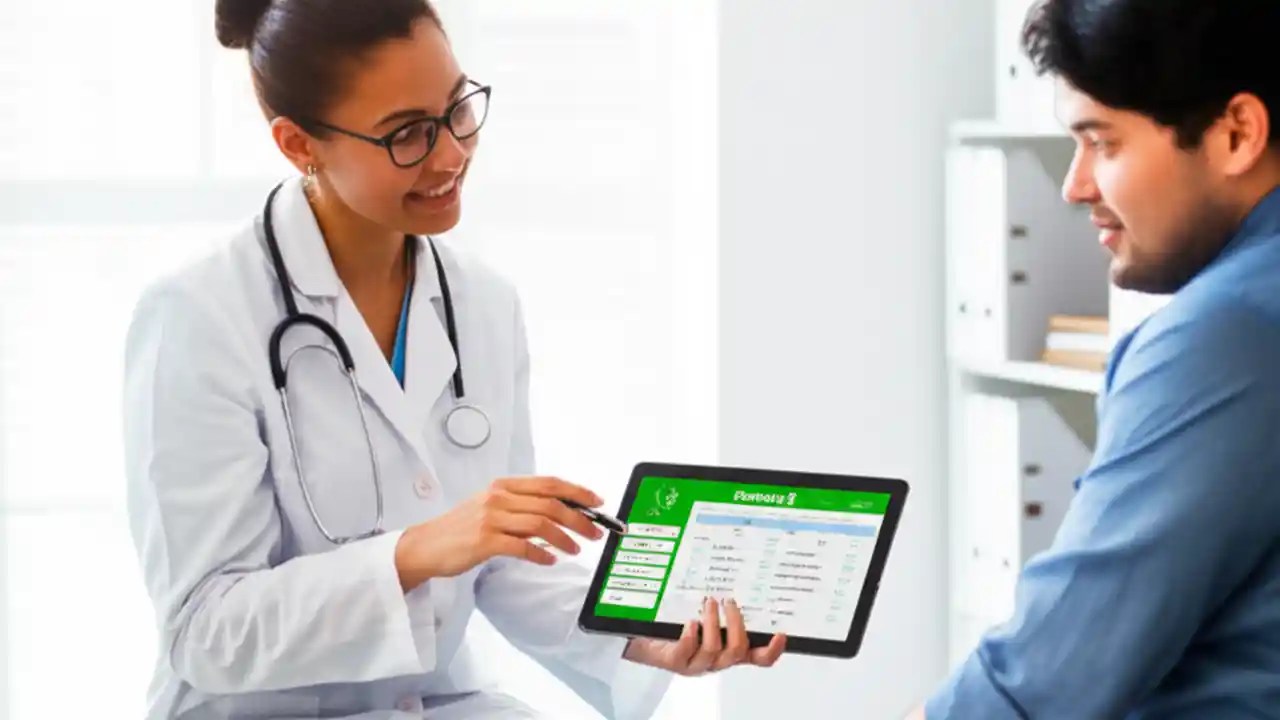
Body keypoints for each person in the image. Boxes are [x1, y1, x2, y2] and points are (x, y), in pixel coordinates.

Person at [122, 1, 784, 718]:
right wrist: (418, 550)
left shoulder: (482, 304)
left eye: (458, 108)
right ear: (297, 144)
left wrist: (647, 640)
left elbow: (500, 564)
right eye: (406, 134)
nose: (452, 155)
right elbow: (206, 629)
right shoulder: (199, 317)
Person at [909, 1, 1280, 717]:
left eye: (1102, 143)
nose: (1073, 185)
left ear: (1237, 133)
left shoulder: (1223, 336)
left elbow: (1042, 681)